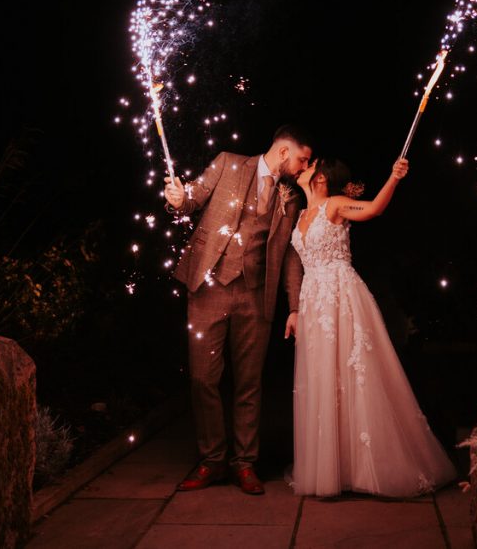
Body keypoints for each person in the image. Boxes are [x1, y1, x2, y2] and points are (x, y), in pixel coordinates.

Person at [286, 156, 457, 497]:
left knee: (355, 376)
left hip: (340, 296)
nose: (303, 168)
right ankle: (332, 468)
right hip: (313, 300)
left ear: (321, 179)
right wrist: (295, 310)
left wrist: (393, 177)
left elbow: (374, 209)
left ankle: (371, 467)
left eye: (311, 165)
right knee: (322, 379)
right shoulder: (302, 214)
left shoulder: (334, 205)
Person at [163, 125, 313, 495]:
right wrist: (177, 197)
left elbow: (291, 255)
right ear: (282, 152)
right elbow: (191, 200)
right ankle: (212, 461)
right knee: (202, 378)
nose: (303, 167)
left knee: (248, 383)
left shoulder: (290, 198)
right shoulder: (228, 164)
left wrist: (294, 306)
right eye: (301, 159)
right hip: (209, 285)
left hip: (255, 296)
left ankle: (244, 463)